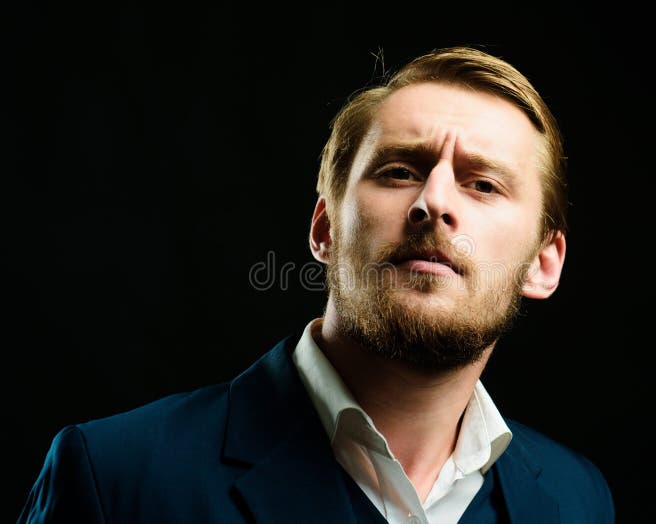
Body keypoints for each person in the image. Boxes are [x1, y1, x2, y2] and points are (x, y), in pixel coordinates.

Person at [18, 46, 614, 523]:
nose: (433, 201)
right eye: (399, 171)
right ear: (325, 228)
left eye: (482, 184)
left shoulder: (578, 499)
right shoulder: (114, 478)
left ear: (544, 264)